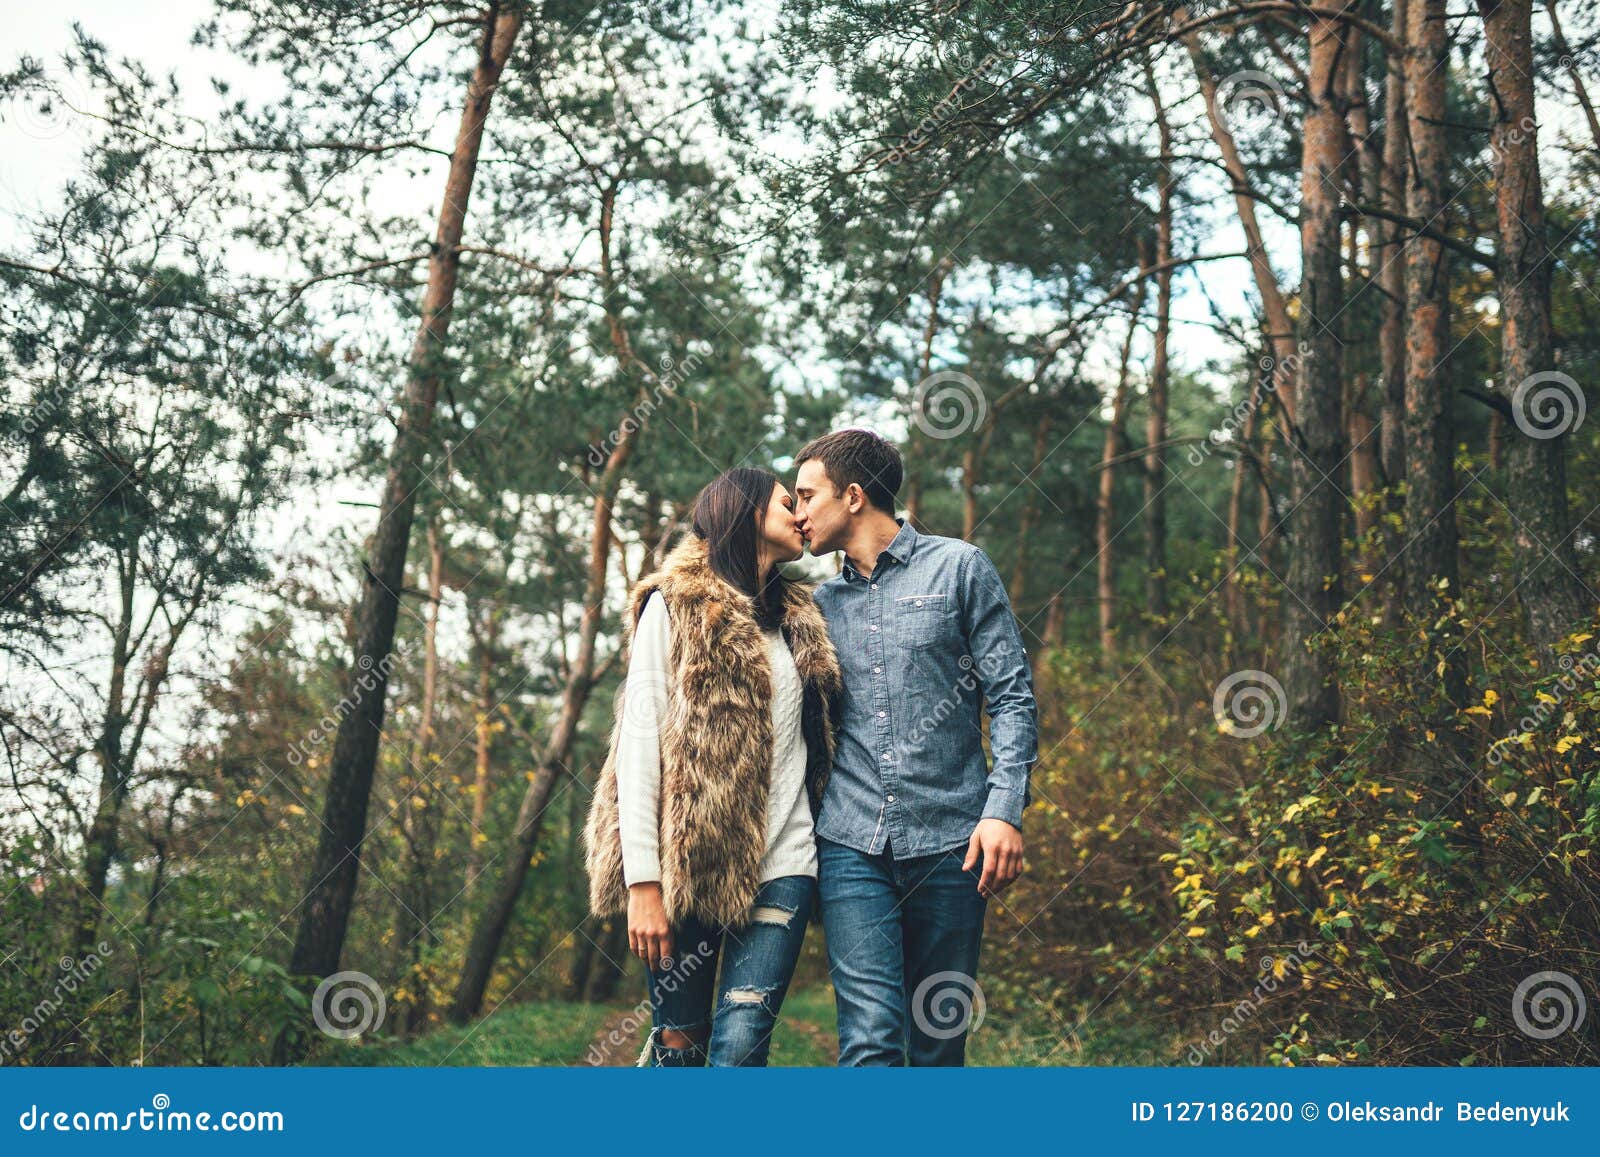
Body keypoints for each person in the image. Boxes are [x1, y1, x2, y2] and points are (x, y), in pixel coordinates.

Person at [793, 428, 1038, 1066]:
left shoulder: (959, 567)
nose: (797, 513)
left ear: (852, 496)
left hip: (954, 844)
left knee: (937, 1044)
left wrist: (1002, 809)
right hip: (852, 846)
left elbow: (1011, 696)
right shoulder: (816, 605)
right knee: (870, 1041)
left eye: (805, 496)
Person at [583, 467, 841, 1066]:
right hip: (687, 868)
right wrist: (643, 885)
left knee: (742, 1045)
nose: (802, 516)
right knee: (680, 1046)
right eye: (788, 503)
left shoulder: (800, 621)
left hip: (786, 860)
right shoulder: (674, 606)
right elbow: (639, 748)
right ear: (749, 513)